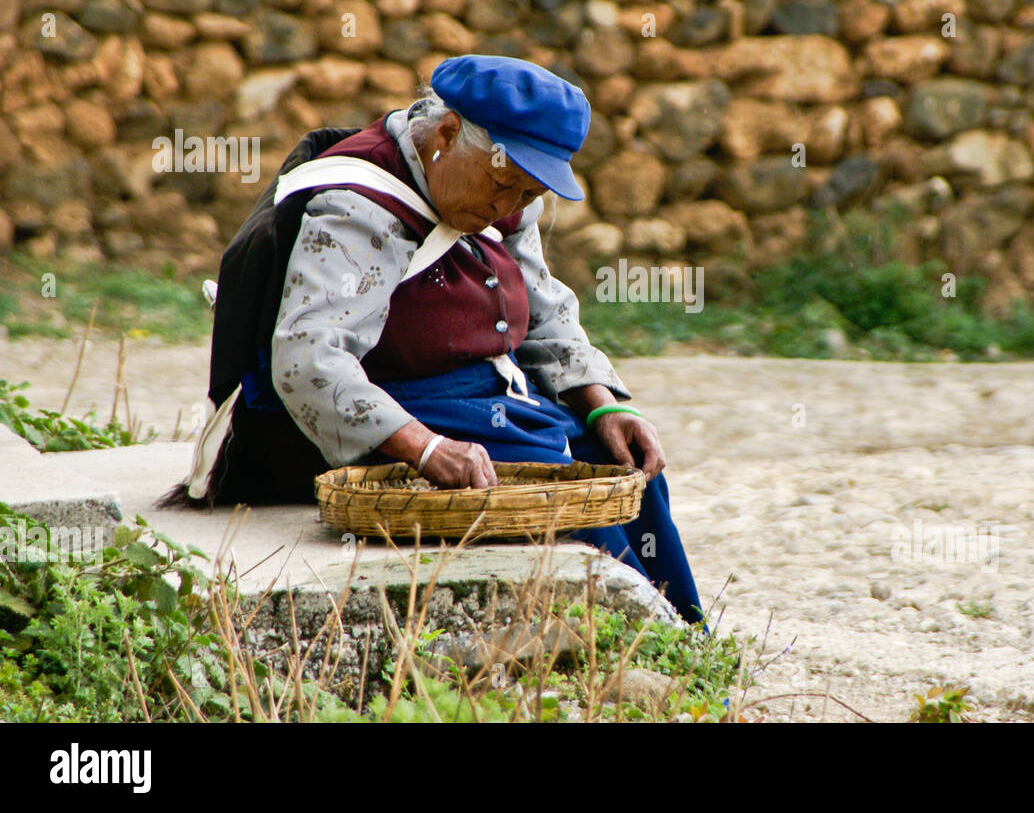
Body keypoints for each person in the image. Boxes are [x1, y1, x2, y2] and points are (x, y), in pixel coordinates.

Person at [162, 55, 705, 624]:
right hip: (396, 417)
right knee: (557, 495)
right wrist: (426, 449)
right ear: (447, 134)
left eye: (526, 195)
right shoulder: (358, 205)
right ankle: (638, 650)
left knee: (627, 469)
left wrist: (604, 405)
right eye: (501, 186)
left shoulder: (502, 194)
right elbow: (308, 361)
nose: (507, 209)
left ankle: (690, 649)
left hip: (490, 407)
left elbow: (544, 310)